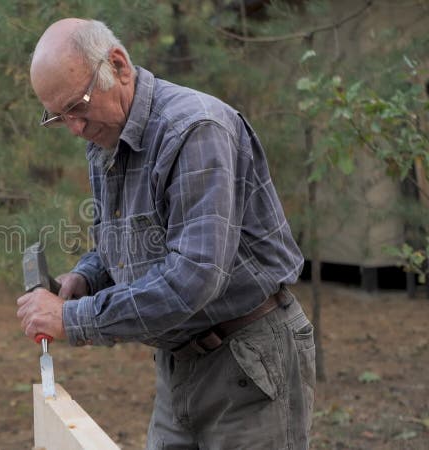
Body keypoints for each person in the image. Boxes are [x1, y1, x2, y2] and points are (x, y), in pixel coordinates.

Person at [16, 18, 315, 450]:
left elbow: (193, 278)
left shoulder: (196, 130)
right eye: (58, 117)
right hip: (179, 363)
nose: (75, 127)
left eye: (77, 107)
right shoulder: (104, 138)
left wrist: (72, 319)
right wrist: (83, 280)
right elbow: (124, 241)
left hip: (250, 360)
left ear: (118, 66)